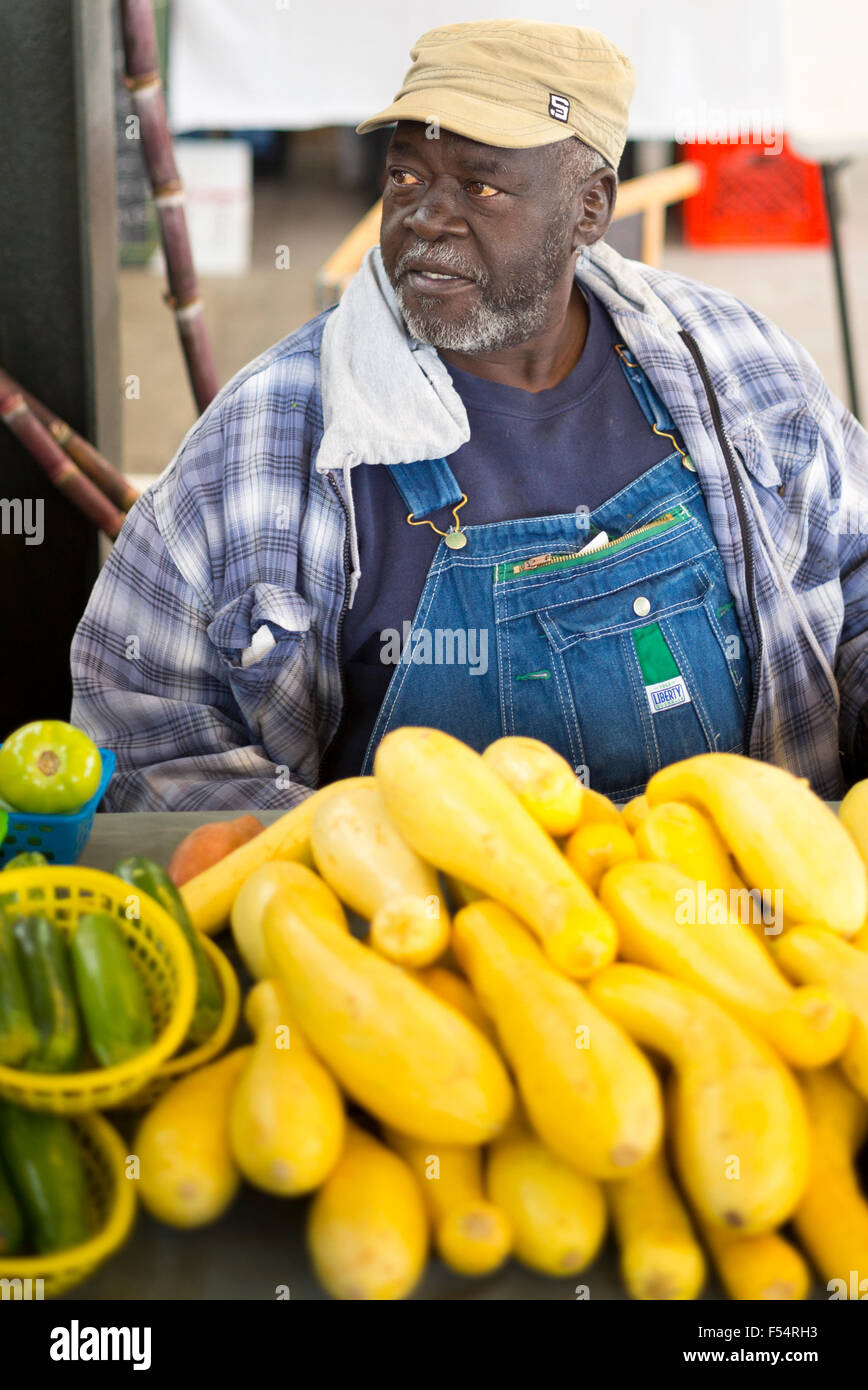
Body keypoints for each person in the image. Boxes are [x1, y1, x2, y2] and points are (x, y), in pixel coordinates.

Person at [71, 20, 868, 810]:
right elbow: (142, 725)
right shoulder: (268, 441)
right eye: (406, 178)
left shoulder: (736, 365)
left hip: (741, 922)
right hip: (417, 936)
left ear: (589, 209)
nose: (427, 217)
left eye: (480, 186)